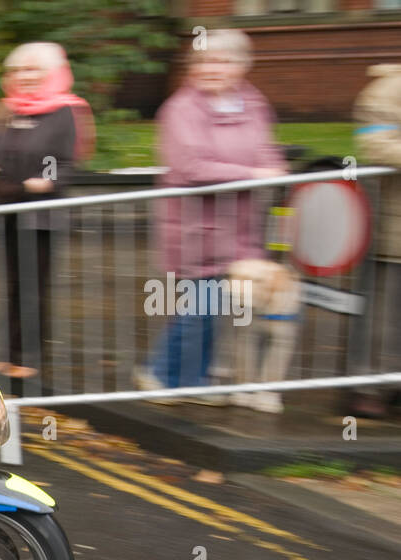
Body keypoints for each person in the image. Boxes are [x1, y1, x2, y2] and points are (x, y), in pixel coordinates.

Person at [138, 29, 286, 404]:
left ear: (242, 65)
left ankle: (192, 379)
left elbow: (267, 151)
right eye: (203, 61)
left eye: (221, 61)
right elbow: (190, 167)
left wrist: (274, 168)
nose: (210, 69)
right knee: (201, 303)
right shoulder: (181, 109)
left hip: (239, 225)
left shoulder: (252, 103)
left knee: (216, 305)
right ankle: (162, 373)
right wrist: (254, 175)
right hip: (195, 226)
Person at [0, 42, 93, 391]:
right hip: (7, 209)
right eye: (19, 70)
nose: (25, 77)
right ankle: (10, 355)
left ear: (51, 73)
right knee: (12, 286)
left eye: (33, 70)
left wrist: (43, 181)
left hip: (41, 216)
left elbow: (66, 163)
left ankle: (29, 357)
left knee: (33, 287)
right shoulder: (7, 109)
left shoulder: (66, 110)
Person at [349, 63, 401, 418]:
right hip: (394, 229)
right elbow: (374, 145)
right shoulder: (386, 90)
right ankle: (368, 387)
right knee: (383, 315)